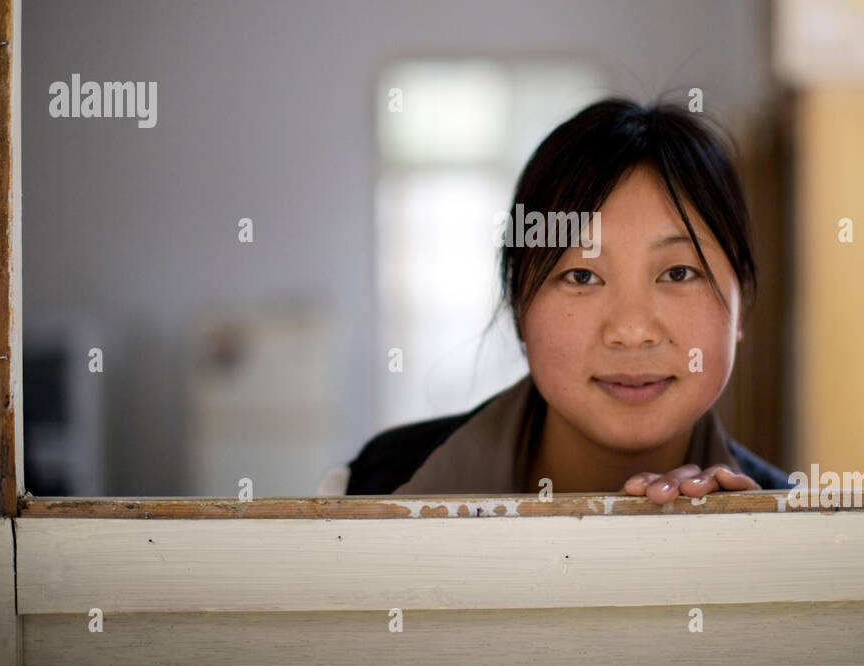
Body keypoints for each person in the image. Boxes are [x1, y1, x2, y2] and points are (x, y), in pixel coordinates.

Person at [331, 95, 793, 500]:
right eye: (582, 275)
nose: (631, 332)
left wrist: (742, 555)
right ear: (518, 305)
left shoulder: (795, 529)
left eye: (678, 272)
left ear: (741, 304)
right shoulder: (372, 487)